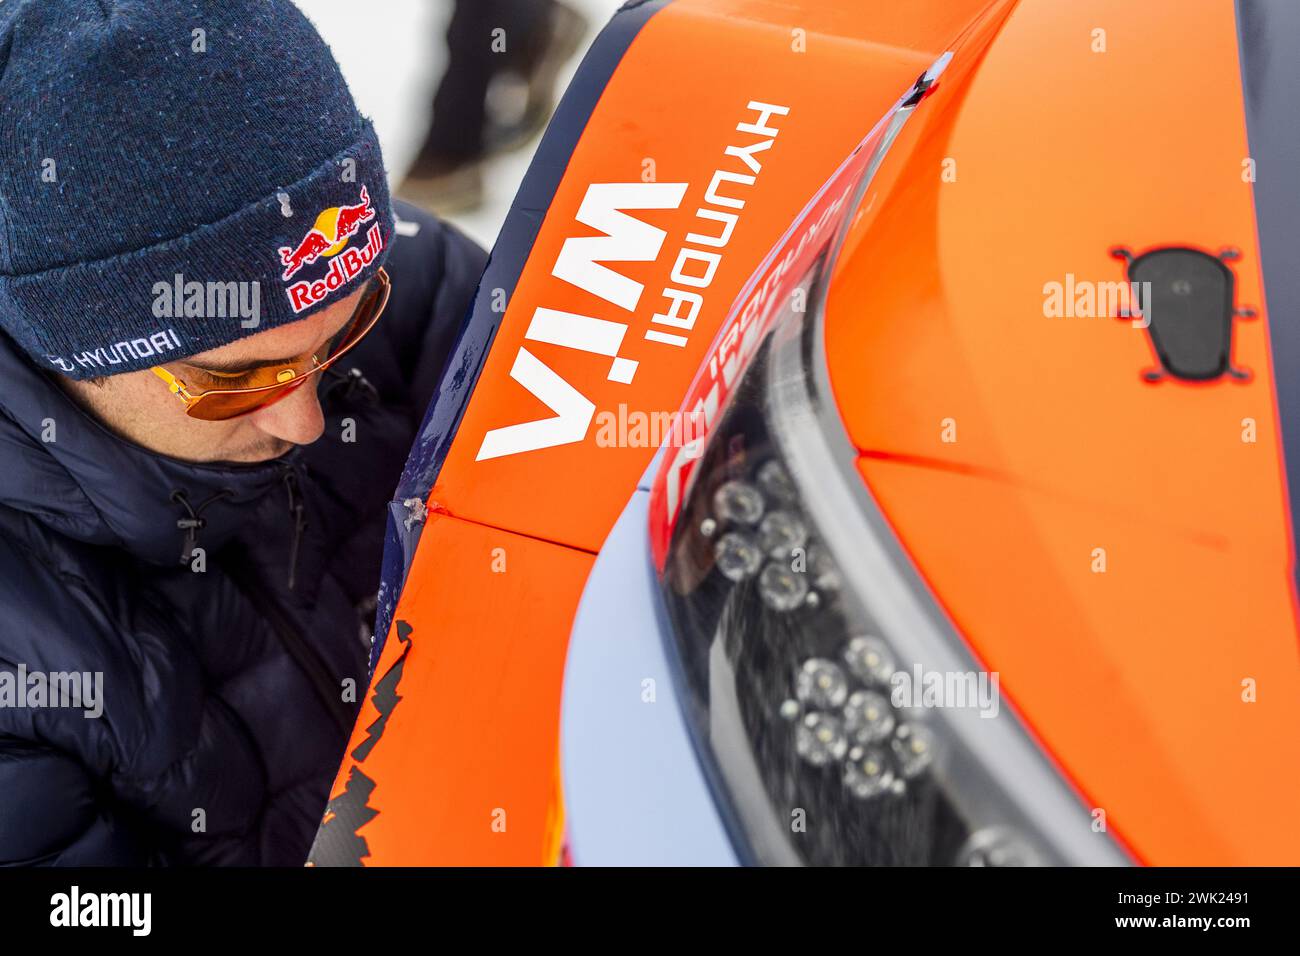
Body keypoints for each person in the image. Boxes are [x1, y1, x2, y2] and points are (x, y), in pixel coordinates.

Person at [0, 0, 486, 865]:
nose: (304, 420)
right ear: (66, 352)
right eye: (233, 380)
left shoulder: (411, 292)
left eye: (341, 333)